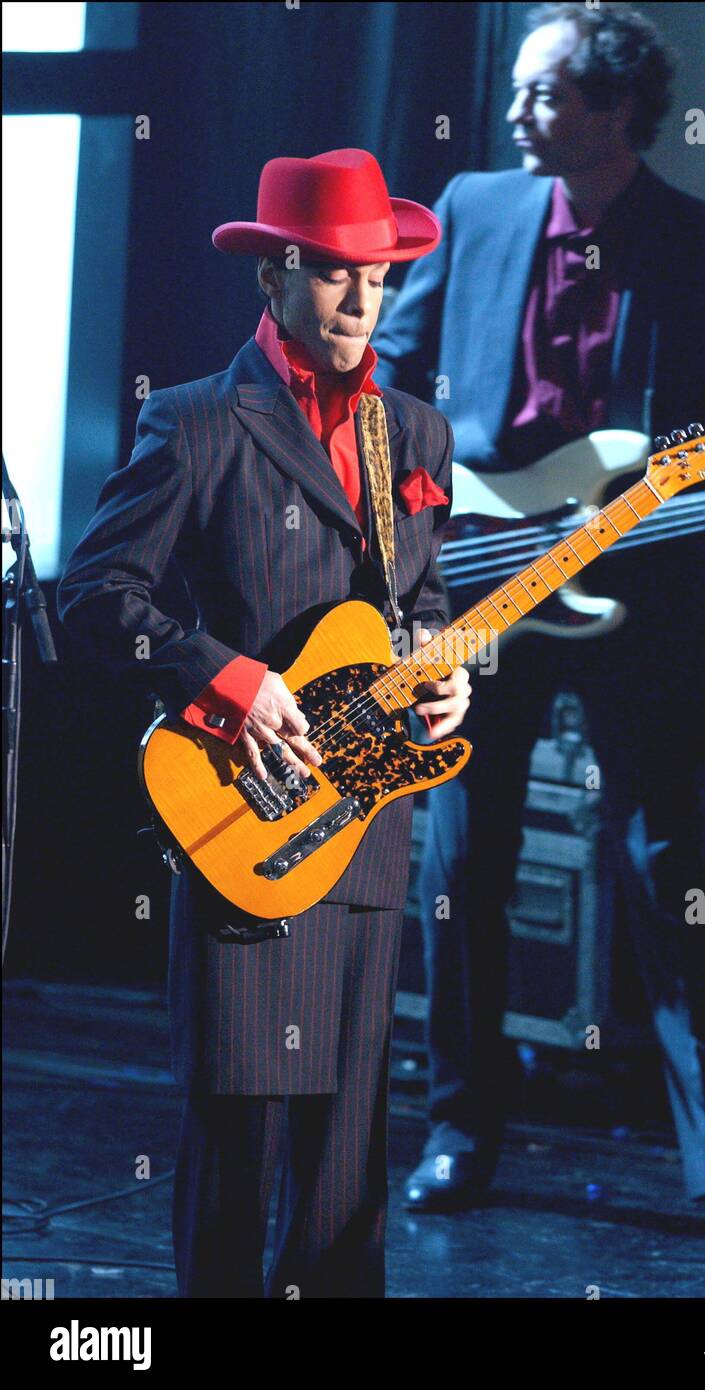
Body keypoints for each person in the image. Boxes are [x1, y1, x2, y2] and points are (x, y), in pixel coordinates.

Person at [372, 2, 705, 1267]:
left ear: (616, 110)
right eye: (517, 93)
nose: (515, 115)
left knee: (668, 878)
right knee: (463, 865)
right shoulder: (473, 208)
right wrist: (417, 532)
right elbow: (399, 382)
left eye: (543, 96)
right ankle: (460, 1130)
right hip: (482, 583)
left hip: (642, 590)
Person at [57, 149, 470, 1298]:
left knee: (349, 1158)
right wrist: (228, 680)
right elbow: (95, 598)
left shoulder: (417, 437)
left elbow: (420, 608)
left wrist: (447, 678)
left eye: (376, 278)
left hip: (368, 834)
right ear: (273, 280)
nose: (358, 299)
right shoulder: (196, 423)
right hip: (245, 817)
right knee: (240, 1142)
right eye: (334, 274)